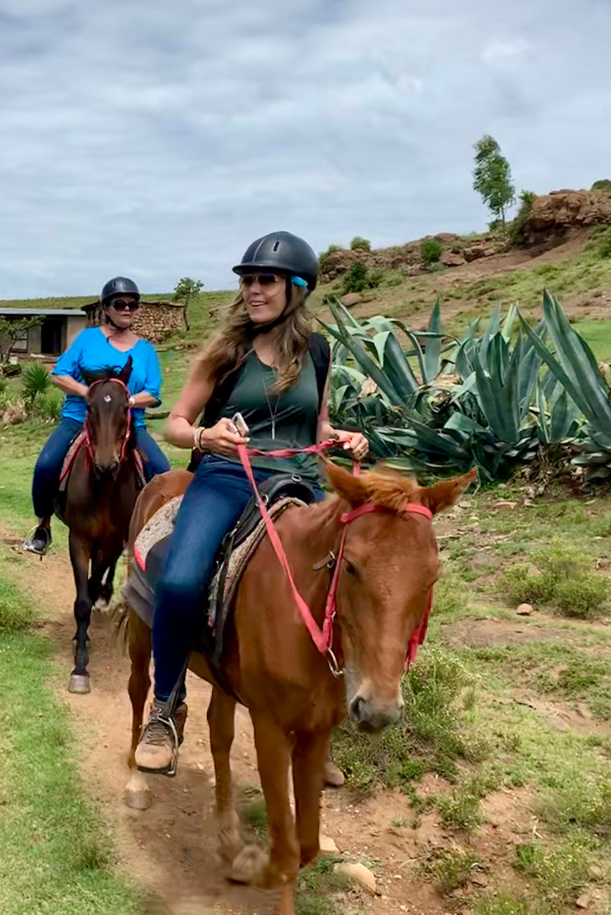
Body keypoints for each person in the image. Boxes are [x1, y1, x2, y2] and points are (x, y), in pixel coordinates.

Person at [133, 231, 369, 774]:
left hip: (301, 483)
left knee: (350, 582)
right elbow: (174, 424)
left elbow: (318, 422)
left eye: (266, 279)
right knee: (184, 578)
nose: (253, 289)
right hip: (227, 478)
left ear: (297, 288)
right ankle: (165, 708)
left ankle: (320, 717)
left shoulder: (317, 351)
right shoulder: (227, 352)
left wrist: (343, 438)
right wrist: (203, 438)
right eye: (248, 279)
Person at [23, 277, 172, 555]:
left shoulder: (145, 350)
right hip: (79, 419)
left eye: (133, 305)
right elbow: (59, 374)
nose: (127, 309)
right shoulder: (87, 339)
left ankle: (157, 539)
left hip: (128, 425)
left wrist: (126, 401)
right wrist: (87, 393)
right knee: (46, 464)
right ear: (106, 308)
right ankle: (43, 526)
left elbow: (153, 393)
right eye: (120, 304)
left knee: (164, 473)